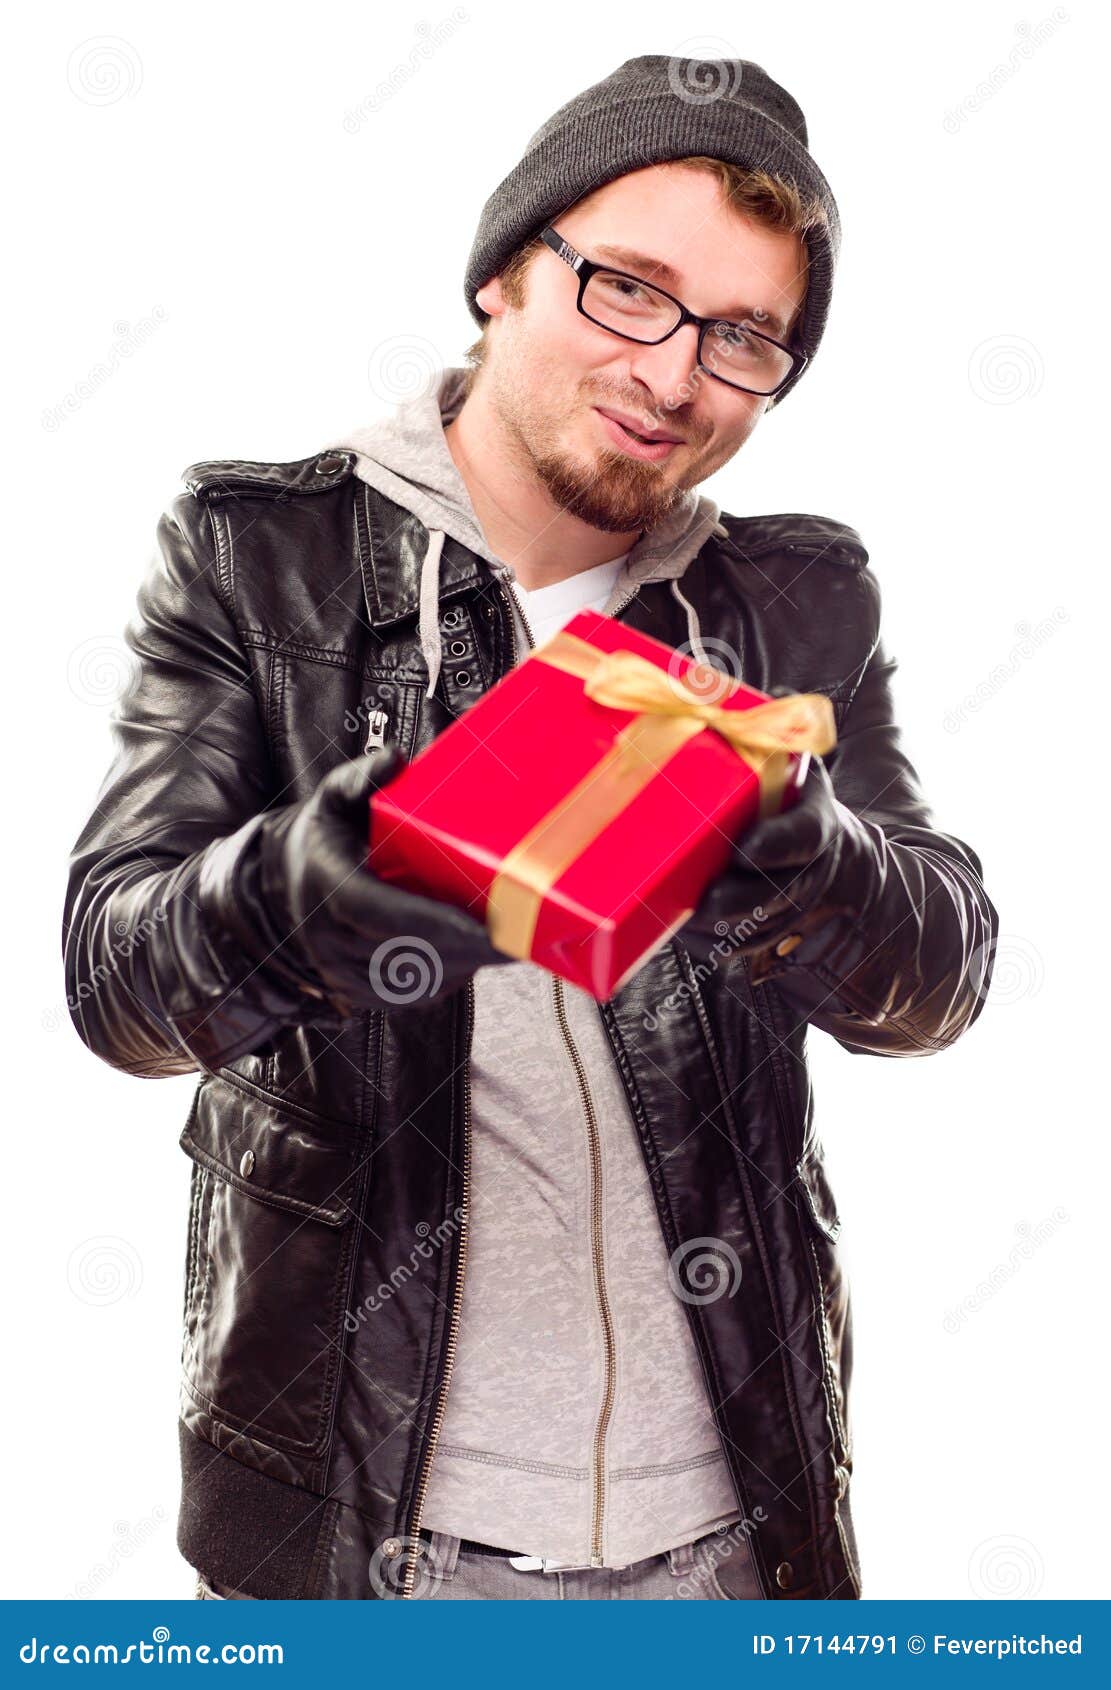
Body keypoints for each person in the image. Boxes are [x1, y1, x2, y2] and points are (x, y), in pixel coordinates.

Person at [63, 53, 998, 1601]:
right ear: (503, 271)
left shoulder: (796, 595)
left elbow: (941, 975)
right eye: (628, 288)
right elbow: (117, 981)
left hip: (735, 1535)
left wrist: (803, 854)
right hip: (364, 1537)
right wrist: (310, 890)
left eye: (742, 334)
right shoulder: (255, 552)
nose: (673, 374)